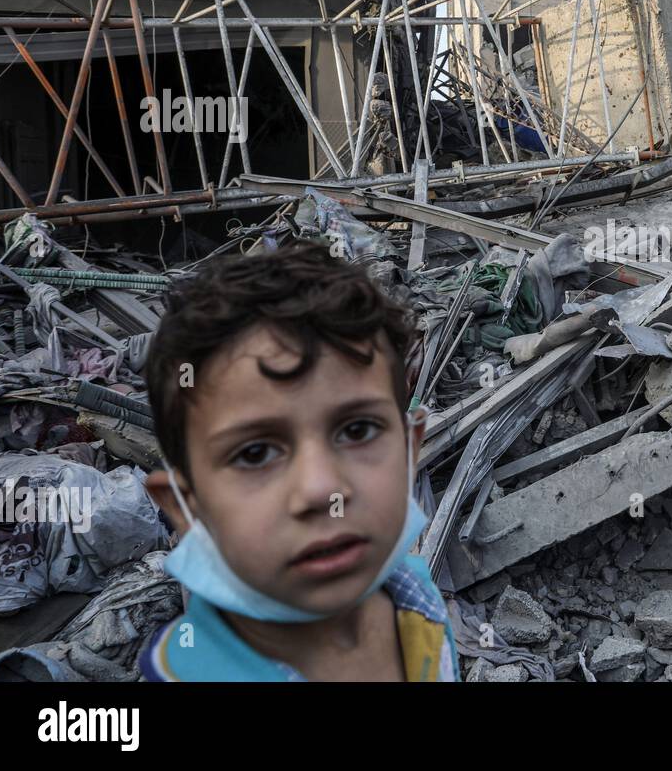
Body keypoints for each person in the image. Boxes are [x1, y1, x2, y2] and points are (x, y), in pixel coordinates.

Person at [138, 243, 458, 681]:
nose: (323, 490)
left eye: (358, 430)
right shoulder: (189, 673)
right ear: (185, 506)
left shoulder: (418, 599)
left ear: (408, 451)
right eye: (255, 453)